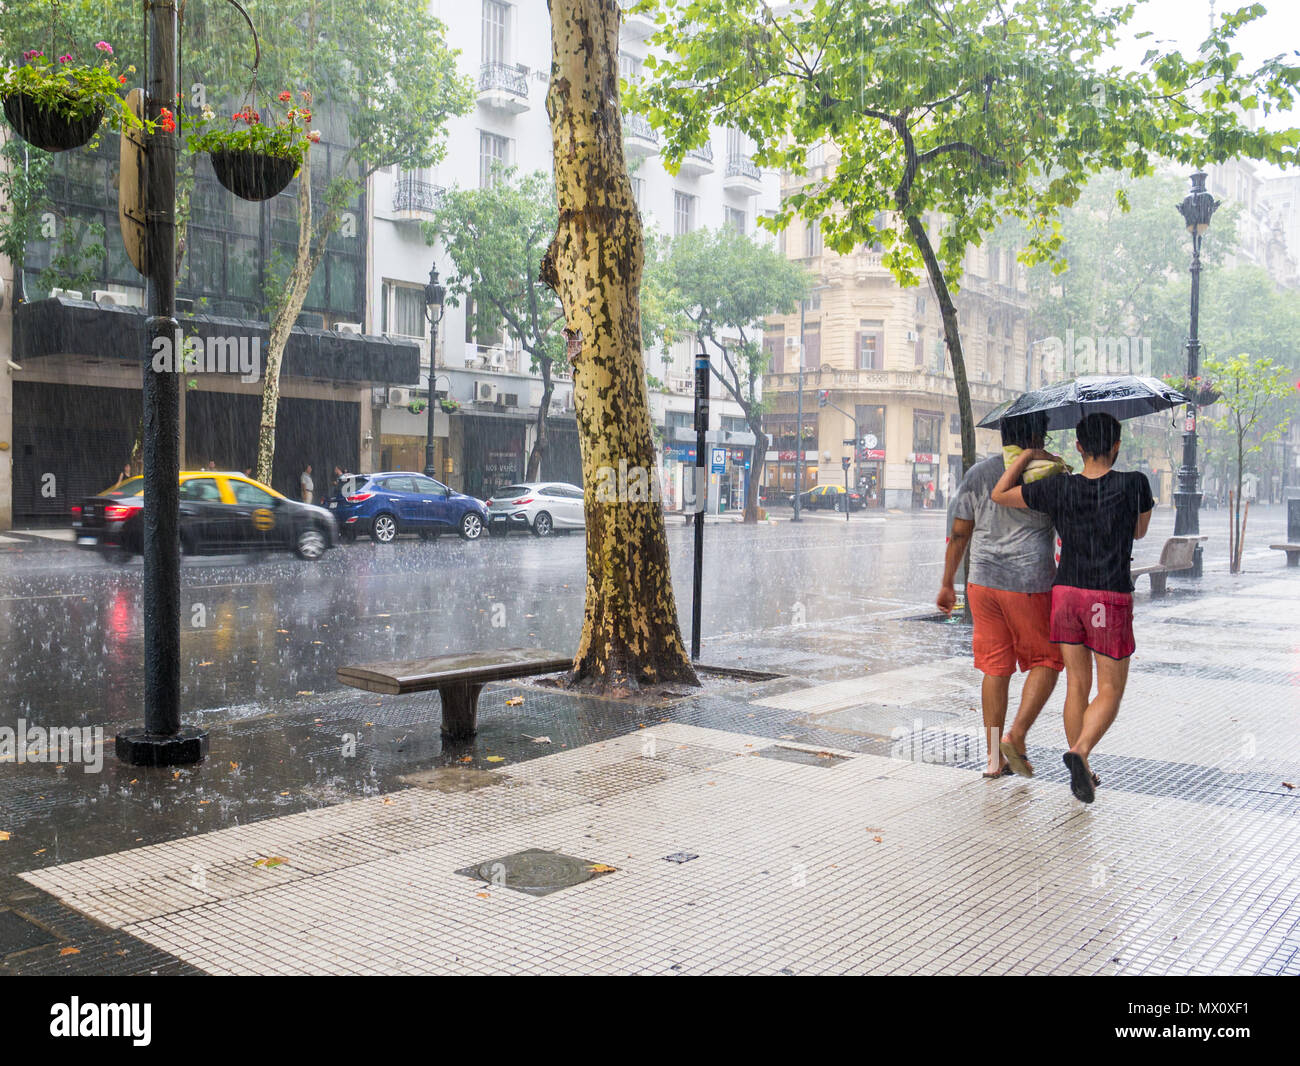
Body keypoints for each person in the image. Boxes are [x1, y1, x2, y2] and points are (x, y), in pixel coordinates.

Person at [991, 412, 1153, 804]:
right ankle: (1080, 752)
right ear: (1116, 445)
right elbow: (1139, 530)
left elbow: (1000, 494)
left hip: (1066, 595)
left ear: (1078, 447)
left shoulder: (1058, 488)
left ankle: (1083, 764)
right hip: (1108, 595)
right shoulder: (1135, 484)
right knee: (1110, 688)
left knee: (1077, 685)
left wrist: (1028, 454)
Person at [938, 412, 1062, 779]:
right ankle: (1016, 735)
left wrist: (947, 583)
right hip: (1029, 585)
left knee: (995, 668)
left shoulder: (978, 474)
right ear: (1040, 436)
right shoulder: (1052, 474)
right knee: (1048, 660)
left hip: (982, 584)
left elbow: (960, 533)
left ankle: (993, 760)